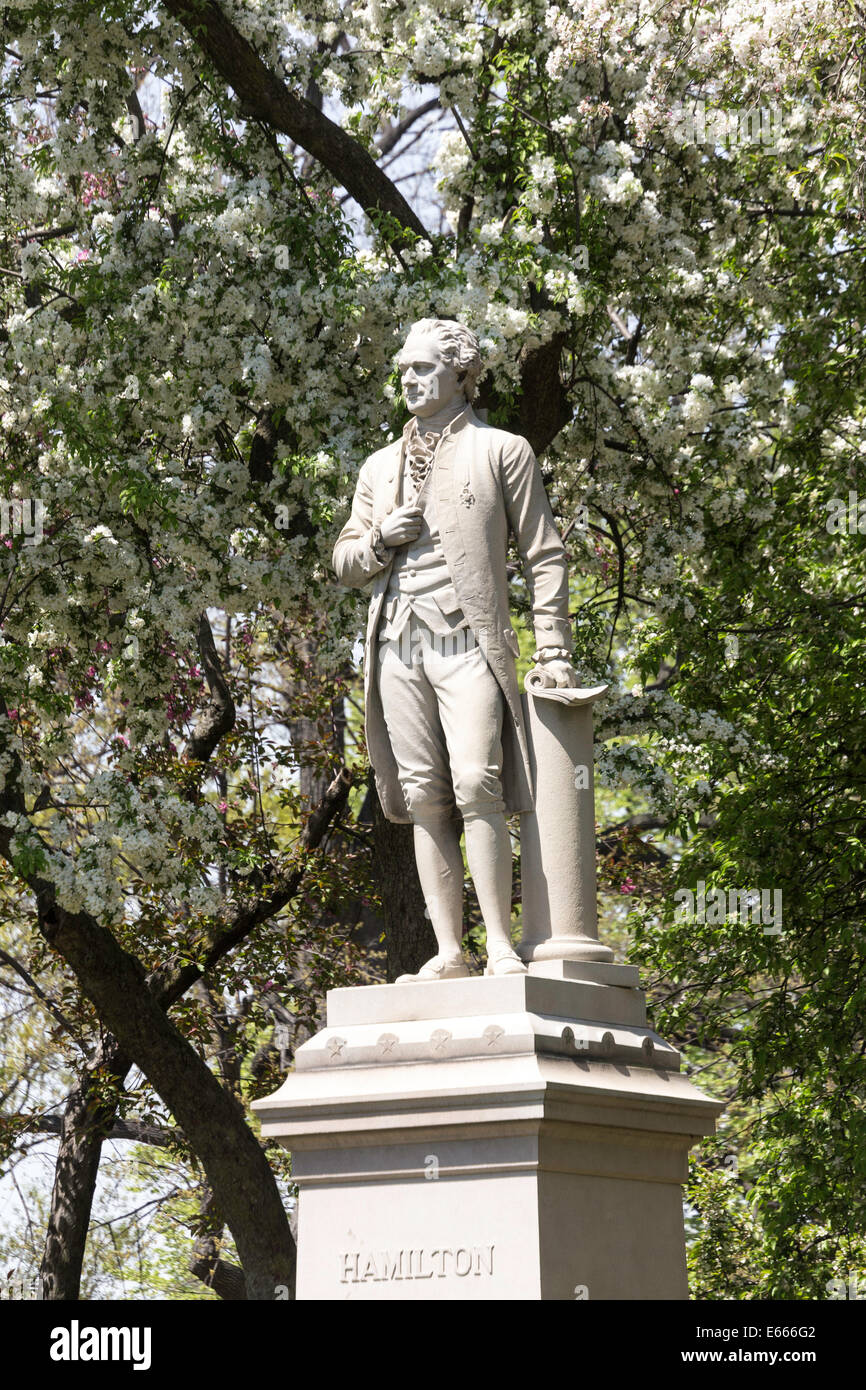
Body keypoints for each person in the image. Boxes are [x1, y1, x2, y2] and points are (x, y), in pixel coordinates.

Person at [333, 318, 577, 980]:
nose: (409, 380)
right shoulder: (380, 467)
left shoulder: (503, 450)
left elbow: (543, 554)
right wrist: (381, 538)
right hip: (397, 646)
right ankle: (450, 951)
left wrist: (552, 645)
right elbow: (345, 559)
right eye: (404, 370)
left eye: (424, 369)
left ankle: (498, 943)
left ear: (462, 374)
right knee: (422, 796)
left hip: (468, 641)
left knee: (476, 781)